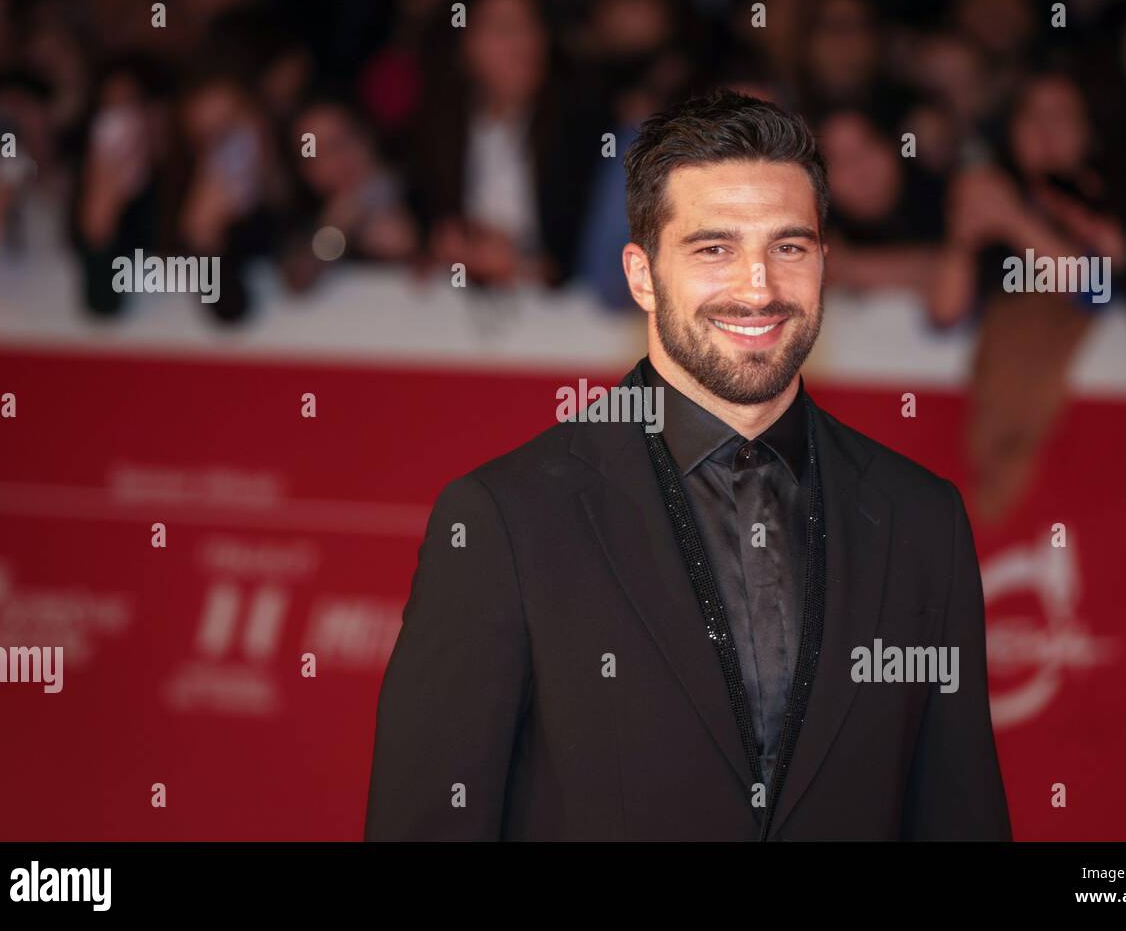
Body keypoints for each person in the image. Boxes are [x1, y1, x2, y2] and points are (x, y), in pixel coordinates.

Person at [365, 89, 1012, 841]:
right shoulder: (504, 522)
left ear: (824, 263)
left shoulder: (921, 519)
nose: (759, 286)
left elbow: (959, 814)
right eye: (715, 248)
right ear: (642, 276)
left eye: (788, 247)